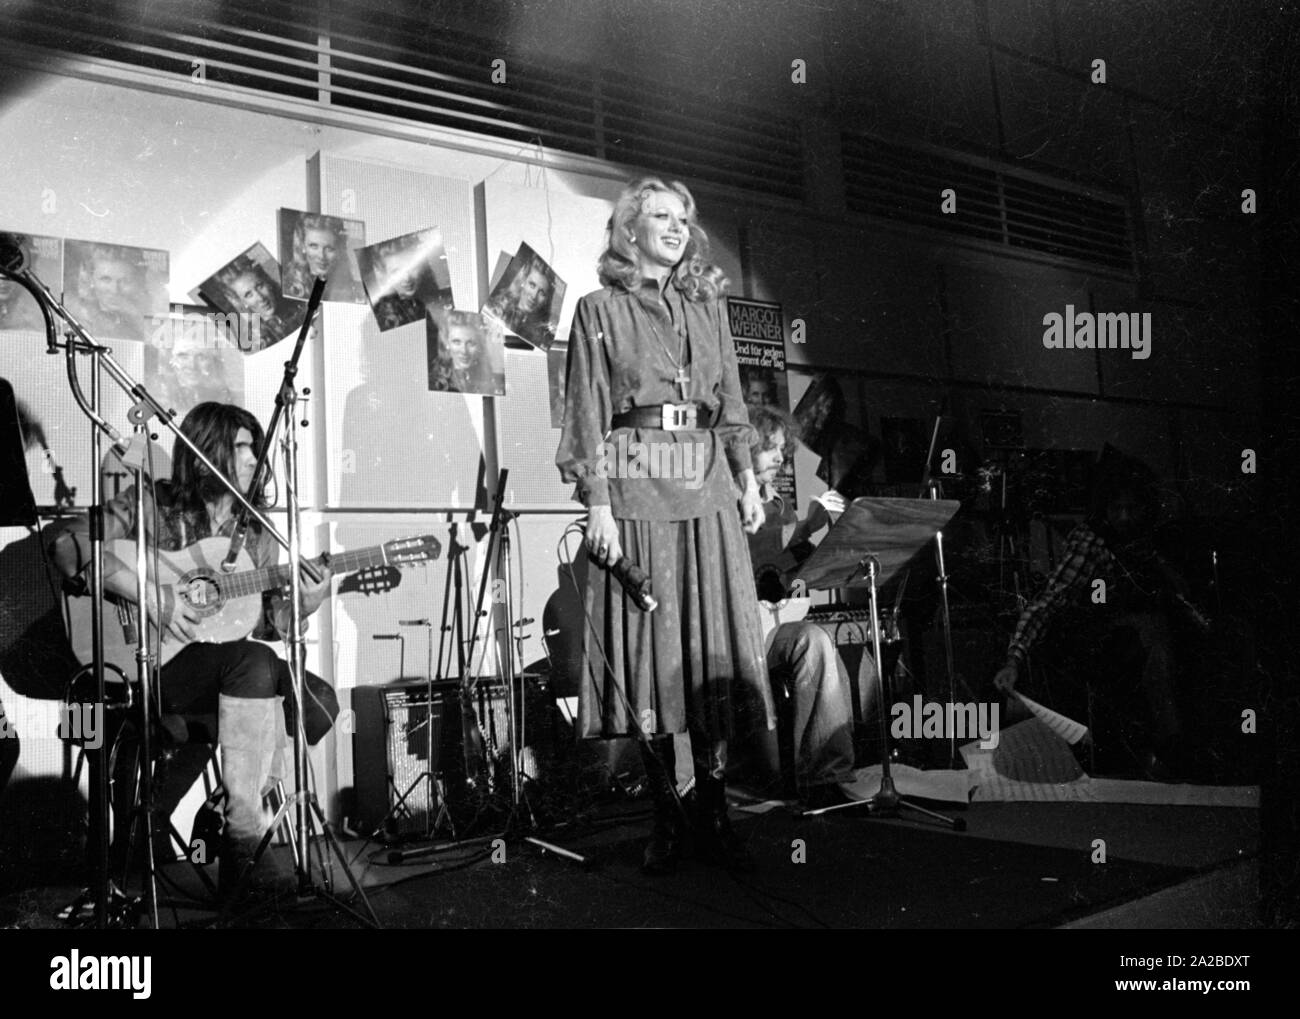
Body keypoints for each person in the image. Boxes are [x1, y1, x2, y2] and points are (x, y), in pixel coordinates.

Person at [557, 176, 774, 875]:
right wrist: (596, 503)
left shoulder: (708, 305)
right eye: (660, 216)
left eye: (683, 217)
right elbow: (586, 411)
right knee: (649, 656)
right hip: (635, 480)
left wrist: (748, 479)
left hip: (707, 479)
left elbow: (731, 402)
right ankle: (667, 816)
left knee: (712, 647)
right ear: (630, 230)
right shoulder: (597, 309)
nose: (677, 227)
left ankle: (714, 809)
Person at [50, 402, 338, 901]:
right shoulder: (152, 503)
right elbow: (68, 546)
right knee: (256, 663)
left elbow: (263, 622)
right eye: (242, 447)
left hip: (222, 671)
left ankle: (224, 812)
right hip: (149, 665)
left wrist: (307, 603)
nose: (254, 460)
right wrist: (149, 594)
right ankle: (243, 845)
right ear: (208, 451)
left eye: (255, 449)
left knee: (318, 701)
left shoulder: (255, 532)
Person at [992, 449, 1195, 778]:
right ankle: (1168, 749)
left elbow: (1181, 592)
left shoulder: (1150, 539)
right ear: (1105, 508)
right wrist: (1014, 658)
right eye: (1117, 508)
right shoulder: (1092, 541)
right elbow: (1049, 601)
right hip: (1105, 652)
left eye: (1133, 508)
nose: (1125, 517)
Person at [744, 404, 862, 805]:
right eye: (771, 448)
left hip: (774, 627)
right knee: (815, 641)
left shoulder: (780, 505)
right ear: (746, 448)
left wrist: (834, 539)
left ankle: (826, 777)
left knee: (816, 640)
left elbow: (789, 569)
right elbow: (753, 549)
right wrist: (807, 525)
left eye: (783, 449)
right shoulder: (729, 501)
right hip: (739, 632)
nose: (781, 457)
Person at [65, 244, 149, 341]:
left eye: (125, 281)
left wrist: (134, 315)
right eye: (106, 279)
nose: (114, 290)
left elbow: (158, 347)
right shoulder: (75, 315)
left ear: (137, 282)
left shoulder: (149, 310)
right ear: (91, 280)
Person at [215, 258, 302, 349]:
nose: (260, 298)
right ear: (242, 302)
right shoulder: (254, 340)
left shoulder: (298, 304)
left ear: (267, 282)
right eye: (248, 294)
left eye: (260, 286)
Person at [488, 253, 556, 347]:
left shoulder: (543, 337)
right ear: (523, 282)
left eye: (542, 293)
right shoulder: (495, 309)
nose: (534, 296)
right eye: (532, 285)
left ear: (546, 300)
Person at [282, 213, 354, 301]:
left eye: (329, 248)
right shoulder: (289, 287)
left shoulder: (350, 288)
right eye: (314, 246)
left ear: (339, 249)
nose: (321, 256)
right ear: (303, 246)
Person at [428, 311, 502, 395]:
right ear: (447, 343)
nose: (464, 351)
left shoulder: (487, 376)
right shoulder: (435, 381)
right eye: (457, 342)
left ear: (479, 344)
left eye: (470, 343)